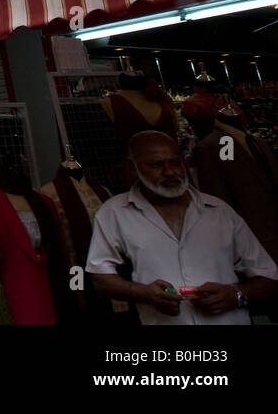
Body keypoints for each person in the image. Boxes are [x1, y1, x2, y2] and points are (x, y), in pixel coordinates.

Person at [87, 130, 278, 325]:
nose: (170, 172)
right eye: (157, 164)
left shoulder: (219, 210)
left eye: (176, 162)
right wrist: (143, 293)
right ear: (132, 169)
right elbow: (100, 277)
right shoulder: (114, 213)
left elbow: (268, 276)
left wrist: (235, 295)